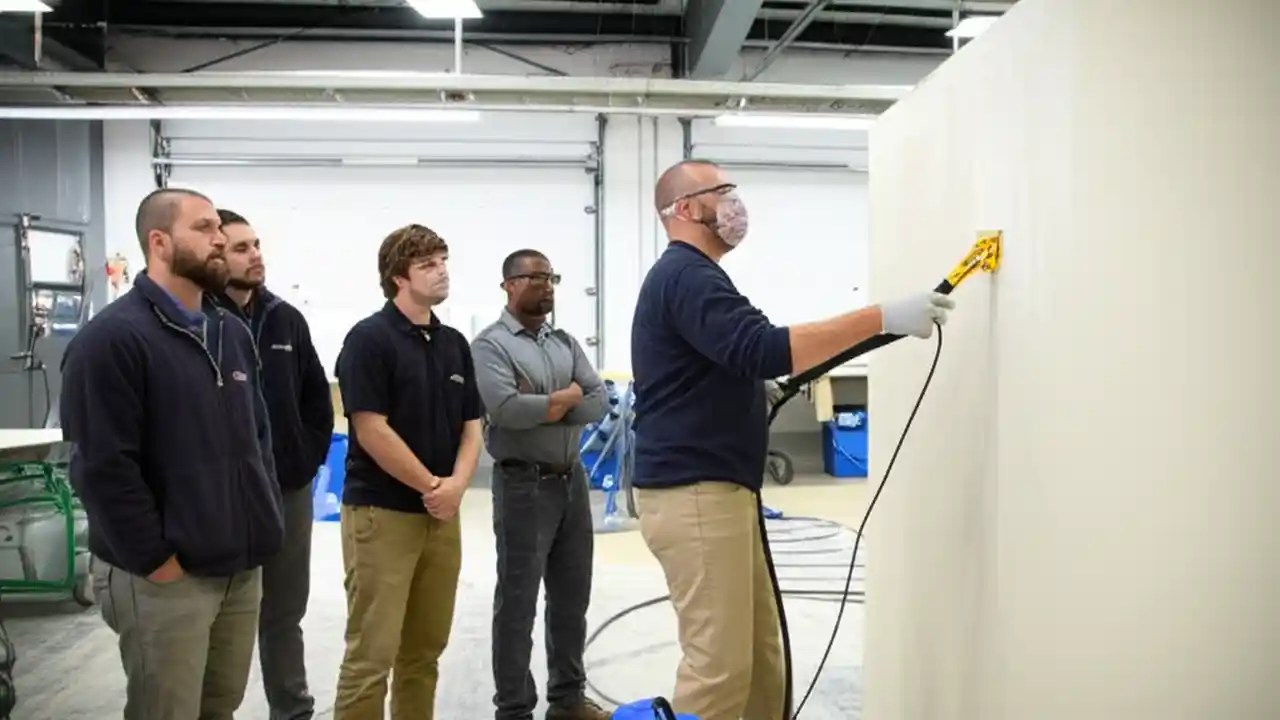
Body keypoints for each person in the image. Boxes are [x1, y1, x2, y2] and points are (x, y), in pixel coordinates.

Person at [629, 159, 955, 720]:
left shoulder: (700, 276)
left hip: (719, 491)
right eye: (722, 192)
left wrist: (758, 387)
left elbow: (738, 356)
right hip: (696, 493)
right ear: (685, 209)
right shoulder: (686, 274)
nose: (734, 204)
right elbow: (763, 346)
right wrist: (882, 316)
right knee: (719, 670)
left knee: (759, 662)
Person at [60, 188, 283, 720]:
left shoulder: (228, 330)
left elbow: (258, 438)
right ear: (159, 242)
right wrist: (157, 562)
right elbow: (102, 469)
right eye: (204, 228)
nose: (220, 239)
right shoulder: (111, 341)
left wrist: (262, 518)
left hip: (238, 565)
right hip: (166, 577)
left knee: (218, 709)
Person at [332, 223, 484, 720]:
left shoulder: (453, 343)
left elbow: (472, 424)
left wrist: (457, 486)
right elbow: (372, 430)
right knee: (371, 654)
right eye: (427, 264)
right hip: (384, 513)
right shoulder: (369, 341)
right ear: (399, 277)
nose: (441, 272)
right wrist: (432, 486)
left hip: (443, 514)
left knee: (423, 651)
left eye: (443, 261)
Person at [471, 250, 612, 720]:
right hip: (523, 487)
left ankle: (567, 700)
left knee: (572, 598)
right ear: (509, 285)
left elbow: (597, 401)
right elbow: (507, 410)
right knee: (518, 603)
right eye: (534, 277)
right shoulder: (490, 346)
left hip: (572, 482)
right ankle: (513, 708)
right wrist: (562, 399)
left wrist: (550, 405)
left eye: (550, 276)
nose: (546, 285)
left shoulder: (565, 342)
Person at [209, 208, 334, 720]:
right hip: (223, 495)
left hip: (286, 489)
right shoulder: (201, 320)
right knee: (219, 614)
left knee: (284, 612)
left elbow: (316, 401)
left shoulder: (285, 318)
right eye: (241, 248)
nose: (255, 255)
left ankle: (292, 709)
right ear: (217, 256)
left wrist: (303, 463)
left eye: (256, 244)